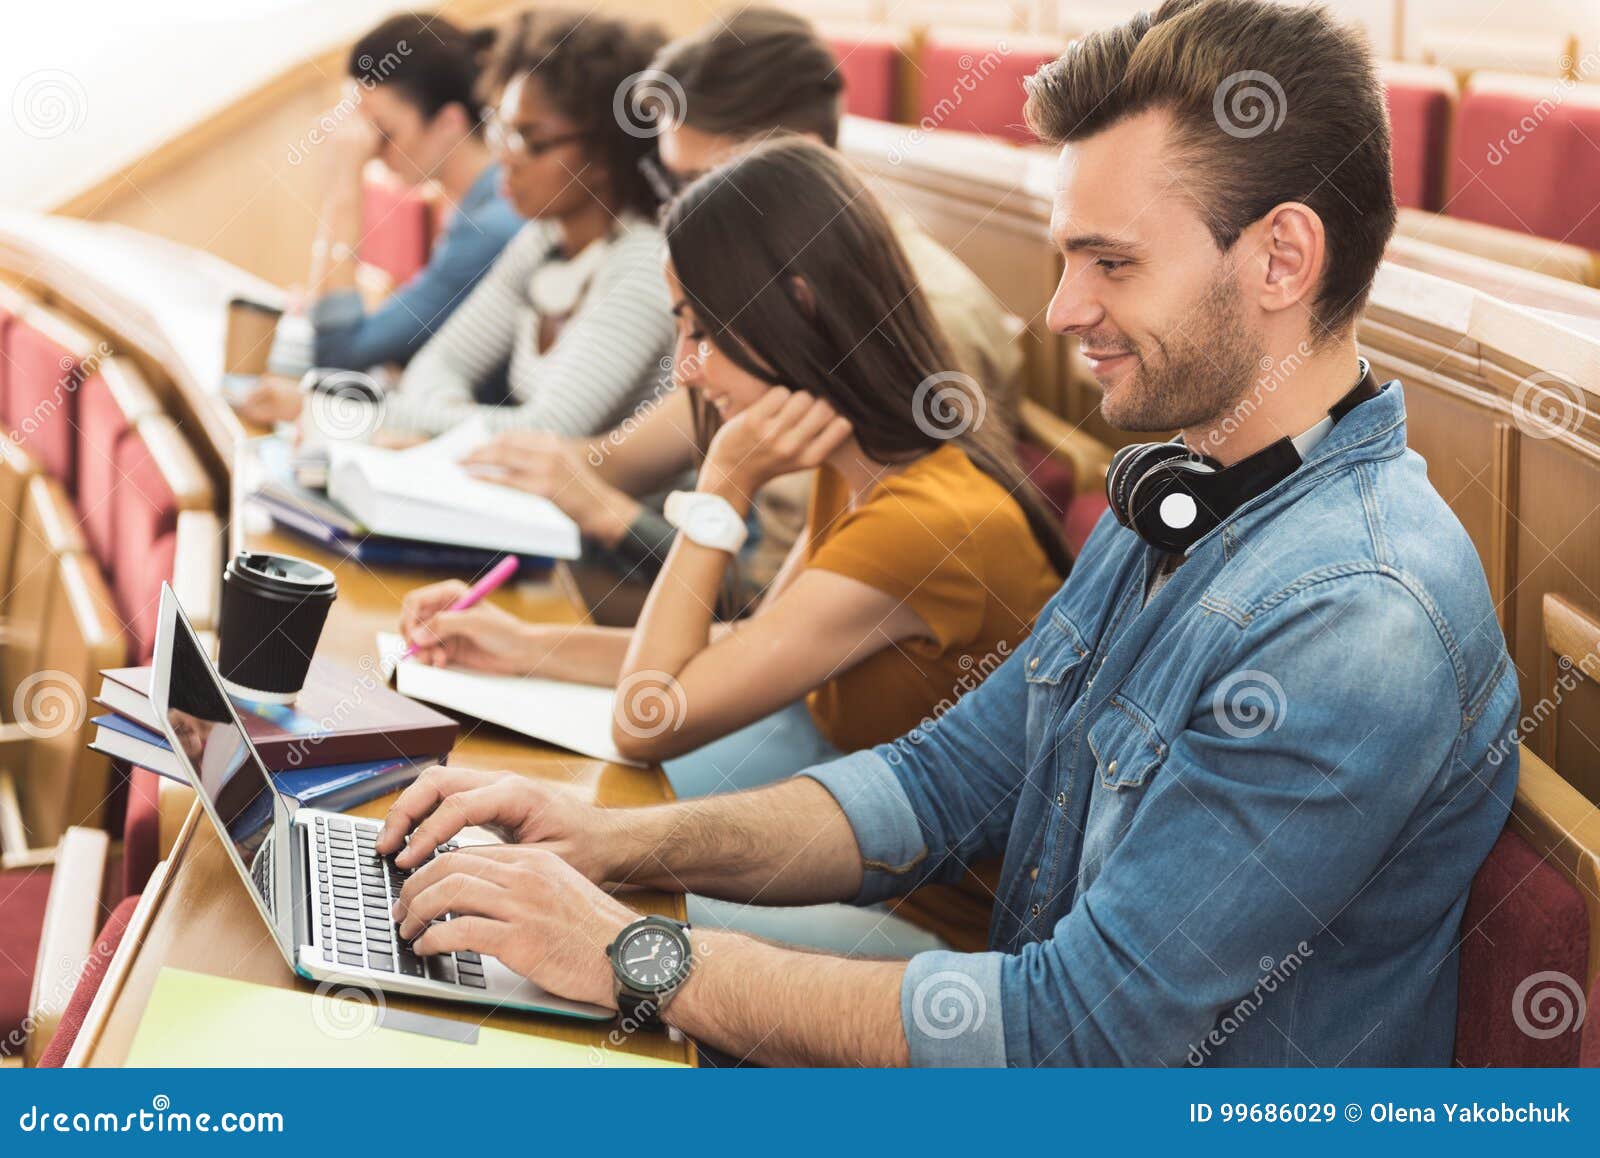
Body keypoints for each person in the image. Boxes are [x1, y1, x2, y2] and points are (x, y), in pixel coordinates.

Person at [376, 0, 1520, 1067]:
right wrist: (606, 845)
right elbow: (940, 781)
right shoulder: (1184, 487)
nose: (1065, 308)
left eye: (1111, 262)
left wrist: (635, 956)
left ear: (1282, 258)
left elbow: (1079, 1037)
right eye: (1069, 255)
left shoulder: (1355, 618)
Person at [399, 138, 1068, 806]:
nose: (687, 366)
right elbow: (745, 646)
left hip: (917, 905)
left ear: (801, 307)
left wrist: (723, 488)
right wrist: (526, 648)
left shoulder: (919, 523)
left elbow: (644, 721)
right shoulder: (867, 467)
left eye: (704, 329)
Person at [457, 6, 1022, 594]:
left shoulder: (921, 314)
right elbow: (612, 460)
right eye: (675, 183)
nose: (677, 212)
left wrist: (611, 513)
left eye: (707, 182)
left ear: (796, 155)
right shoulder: (759, 278)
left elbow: (769, 606)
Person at [366, 9, 675, 439]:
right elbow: (435, 367)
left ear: (607, 151)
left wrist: (370, 415)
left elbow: (547, 431)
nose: (505, 159)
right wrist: (451, 417)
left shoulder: (643, 262)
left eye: (532, 141)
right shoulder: (543, 238)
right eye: (504, 132)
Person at [236, 14, 523, 424]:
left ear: (448, 123)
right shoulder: (469, 207)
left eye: (384, 134)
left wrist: (342, 188)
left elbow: (339, 356)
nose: (370, 151)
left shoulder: (492, 225)